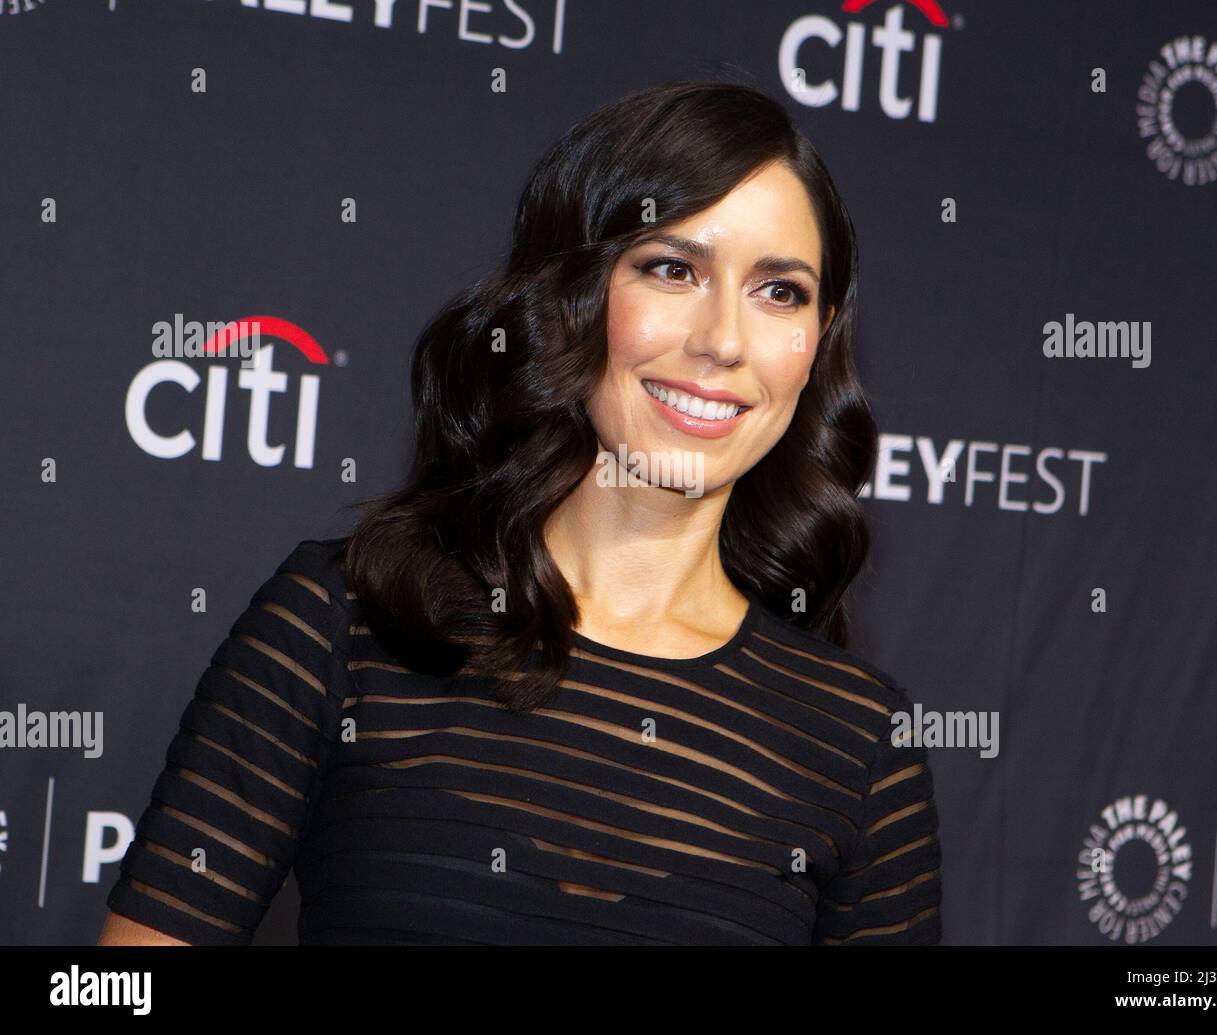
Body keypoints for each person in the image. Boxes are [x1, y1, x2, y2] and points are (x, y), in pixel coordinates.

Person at [98, 78, 941, 946]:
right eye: (672, 269)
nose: (723, 340)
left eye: (779, 292)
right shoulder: (348, 621)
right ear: (571, 292)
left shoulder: (858, 745)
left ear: (818, 341)